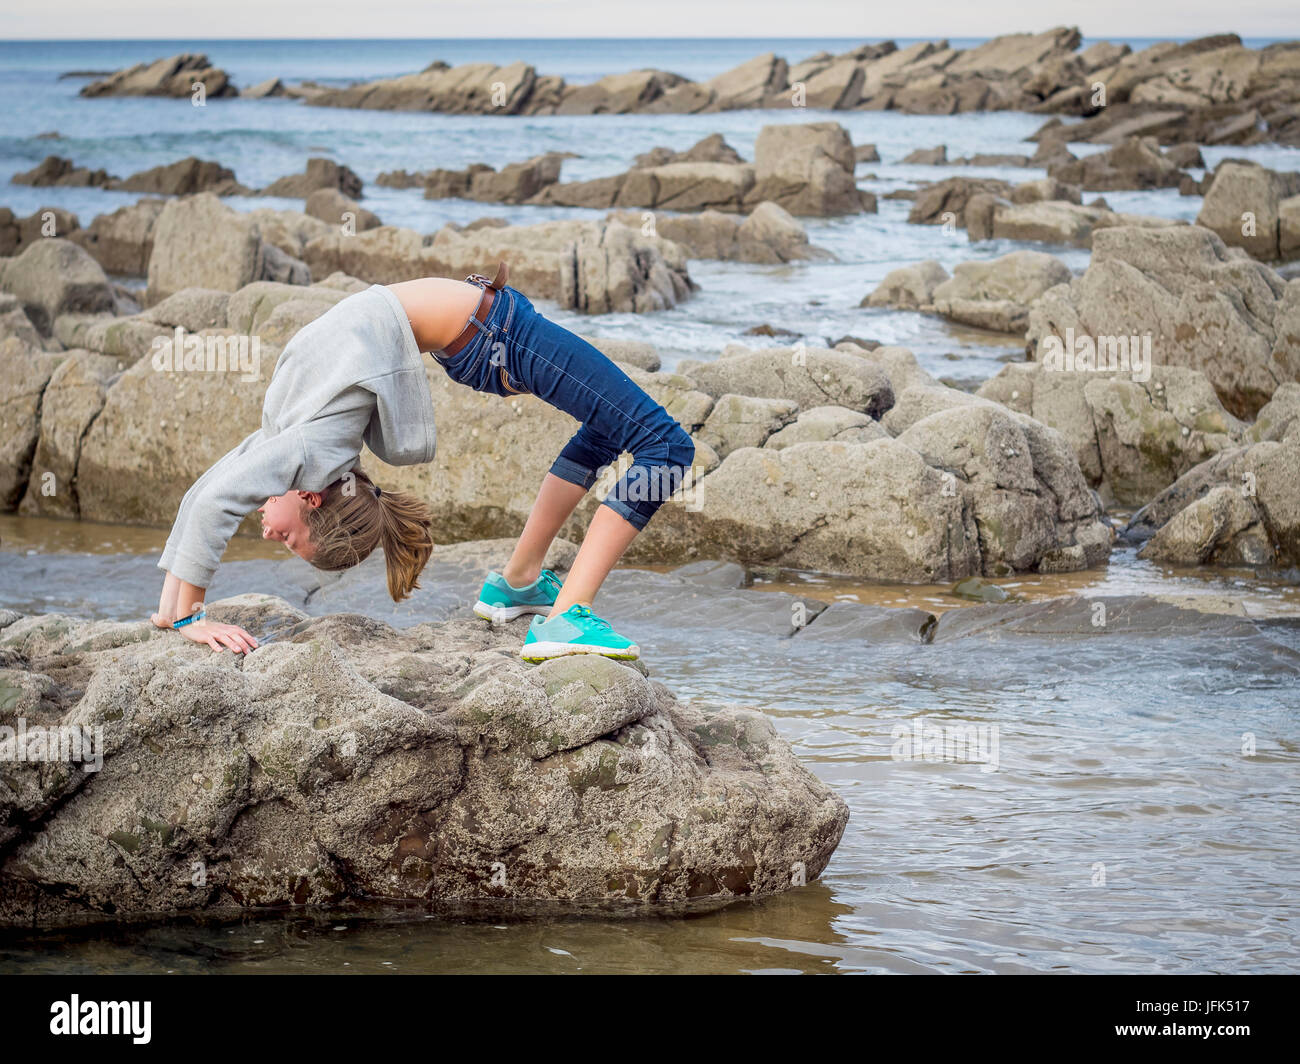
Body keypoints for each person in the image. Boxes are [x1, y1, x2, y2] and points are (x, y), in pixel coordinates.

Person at [151, 263, 695, 663]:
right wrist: (192, 617)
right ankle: (568, 618)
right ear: (313, 496)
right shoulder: (307, 455)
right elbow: (217, 500)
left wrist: (175, 609)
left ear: (312, 500)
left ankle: (521, 581)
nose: (274, 538)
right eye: (291, 542)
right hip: (500, 336)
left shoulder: (292, 443)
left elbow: (208, 493)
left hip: (490, 334)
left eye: (293, 542)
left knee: (607, 430)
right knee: (667, 446)